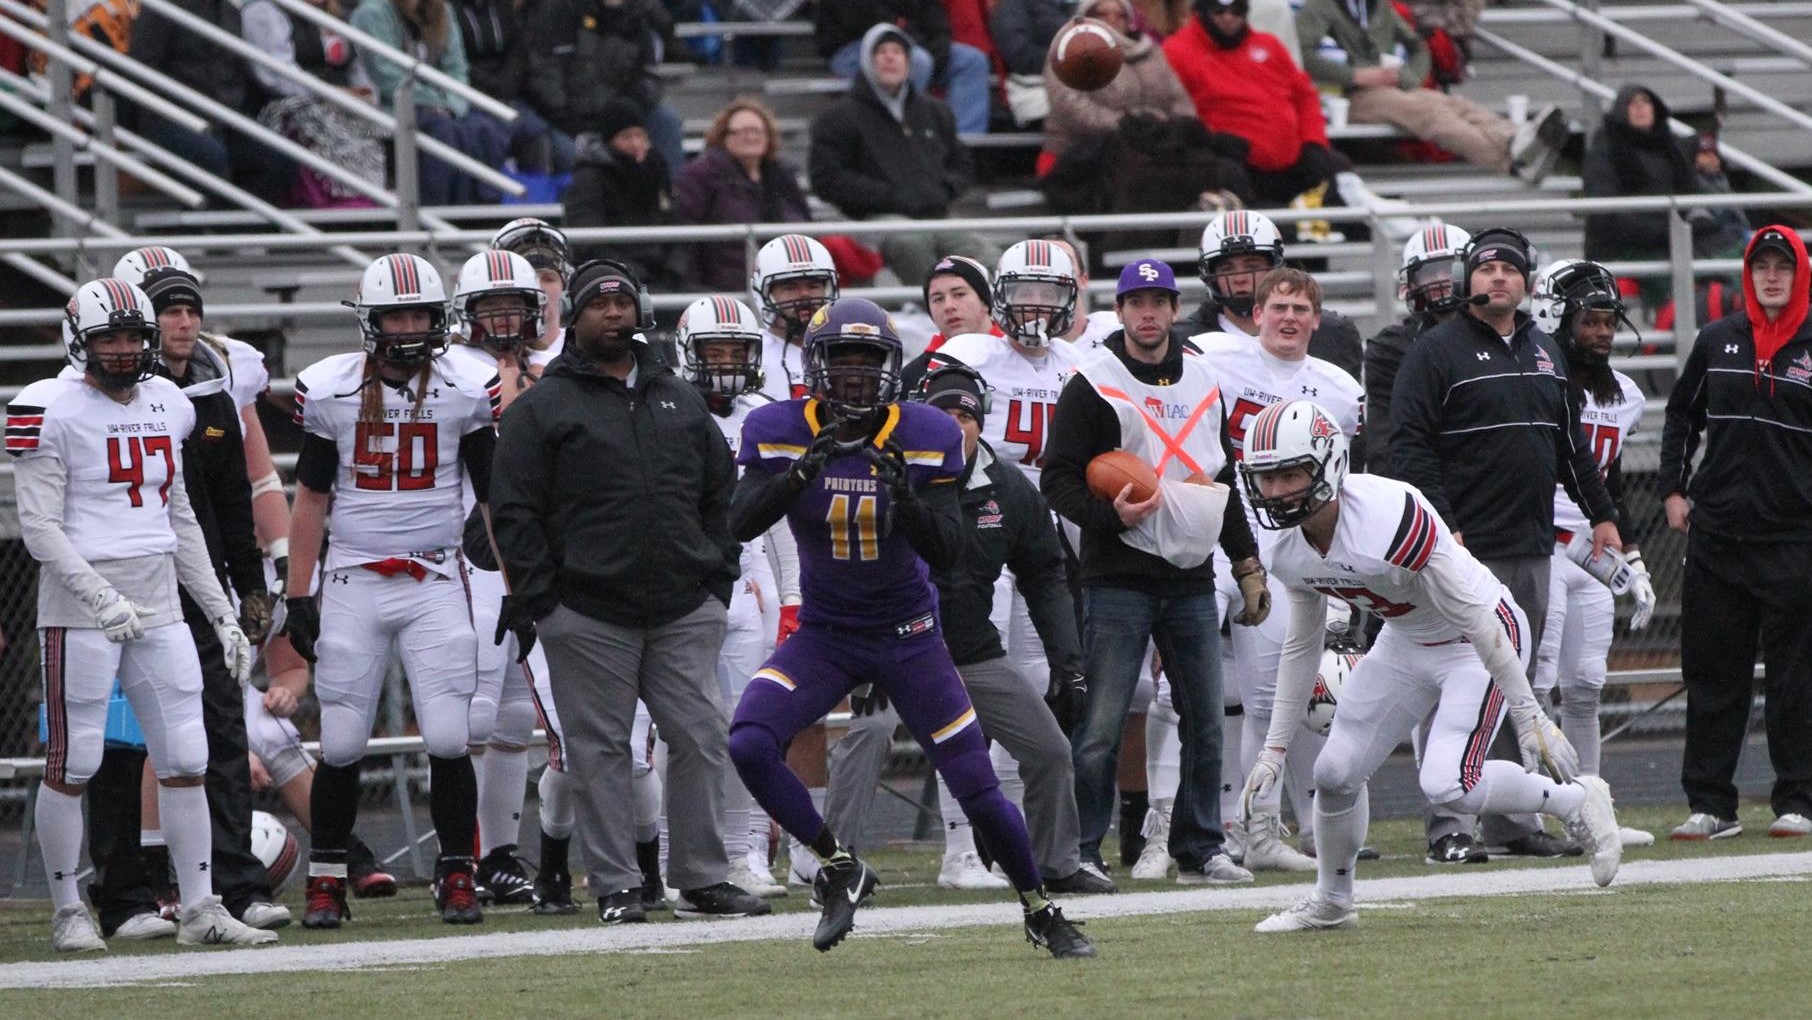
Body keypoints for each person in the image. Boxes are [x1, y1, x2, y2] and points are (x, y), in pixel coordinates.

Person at [725, 297, 1094, 957]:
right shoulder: (779, 428)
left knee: (978, 788)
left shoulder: (925, 433)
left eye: (868, 360)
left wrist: (906, 498)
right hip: (826, 635)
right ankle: (838, 864)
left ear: (892, 368)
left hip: (909, 638)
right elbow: (739, 522)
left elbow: (949, 552)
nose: (856, 374)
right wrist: (799, 475)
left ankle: (1041, 908)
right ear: (816, 365)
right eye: (843, 359)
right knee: (750, 740)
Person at [1237, 400, 1622, 933]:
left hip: (1478, 635)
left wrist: (1528, 712)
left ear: (1329, 464)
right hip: (1406, 637)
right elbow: (1302, 642)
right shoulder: (1282, 543)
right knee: (1334, 773)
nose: (1276, 491)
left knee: (1449, 782)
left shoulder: (1388, 515)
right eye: (1266, 478)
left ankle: (1576, 799)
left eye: (1290, 475)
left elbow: (1476, 616)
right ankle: (1333, 900)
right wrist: (1275, 749)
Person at [489, 260, 770, 924]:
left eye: (622, 301)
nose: (613, 313)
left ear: (640, 309)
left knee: (700, 736)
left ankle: (701, 878)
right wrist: (545, 600)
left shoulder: (678, 396)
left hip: (682, 604)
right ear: (574, 316)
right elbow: (514, 511)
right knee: (600, 752)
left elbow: (719, 494)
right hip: (586, 611)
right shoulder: (542, 407)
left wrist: (715, 578)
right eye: (598, 303)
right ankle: (616, 884)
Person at [11, 278, 267, 951]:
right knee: (75, 759)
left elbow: (179, 517)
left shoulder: (168, 402)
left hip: (159, 602)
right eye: (110, 338)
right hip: (79, 607)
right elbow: (39, 528)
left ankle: (201, 907)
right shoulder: (48, 406)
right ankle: (69, 909)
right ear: (79, 342)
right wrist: (99, 596)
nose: (125, 350)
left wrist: (221, 611)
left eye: (133, 337)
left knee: (187, 755)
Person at [821, 365, 1113, 896]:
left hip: (970, 645)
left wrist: (1068, 661)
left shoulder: (1008, 486)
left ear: (981, 422)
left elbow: (1045, 574)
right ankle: (837, 866)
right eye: (943, 415)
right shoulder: (886, 472)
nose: (955, 426)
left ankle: (1055, 863)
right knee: (867, 733)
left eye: (965, 415)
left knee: (1049, 747)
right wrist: (863, 655)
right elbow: (851, 564)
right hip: (892, 644)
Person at [1390, 227, 1622, 864]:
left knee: (1515, 683)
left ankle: (1512, 820)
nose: (1498, 277)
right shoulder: (1435, 351)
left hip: (1530, 542)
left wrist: (1603, 516)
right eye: (1487, 268)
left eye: (1510, 269)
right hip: (1461, 548)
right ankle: (1449, 824)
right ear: (1466, 280)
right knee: (1455, 681)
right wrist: (1444, 525)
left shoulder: (1545, 350)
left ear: (1527, 283)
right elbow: (1409, 444)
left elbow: (1571, 446)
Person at [283, 254, 499, 929]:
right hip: (353, 576)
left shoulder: (466, 386)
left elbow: (492, 498)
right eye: (396, 317)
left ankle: (457, 874)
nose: (408, 329)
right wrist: (298, 594)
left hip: (435, 575)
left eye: (419, 316)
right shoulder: (332, 390)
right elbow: (311, 497)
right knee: (343, 739)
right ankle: (325, 879)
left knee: (450, 734)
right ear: (370, 321)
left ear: (439, 319)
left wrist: (515, 583)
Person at [1041, 257, 1268, 884]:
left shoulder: (1203, 377)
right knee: (1101, 723)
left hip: (1191, 573)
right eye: (1136, 303)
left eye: (1158, 301)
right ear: (1119, 311)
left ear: (1174, 307)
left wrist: (1245, 560)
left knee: (1206, 720)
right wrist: (1108, 515)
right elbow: (1057, 479)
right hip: (1118, 573)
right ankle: (1083, 850)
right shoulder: (1093, 380)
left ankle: (1200, 847)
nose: (1148, 313)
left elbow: (1220, 479)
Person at [1194, 269, 1362, 873]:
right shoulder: (1212, 358)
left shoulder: (1339, 389)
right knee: (1172, 695)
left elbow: (1337, 481)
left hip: (1284, 548)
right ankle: (1164, 827)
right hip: (1213, 535)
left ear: (1316, 319)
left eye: (1300, 309)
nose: (1289, 317)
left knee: (1269, 698)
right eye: (1279, 306)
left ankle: (1259, 830)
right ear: (1256, 312)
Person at [1659, 226, 1812, 842]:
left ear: (1800, 274)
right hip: (1718, 536)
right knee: (1712, 673)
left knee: (1796, 678)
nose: (1771, 277)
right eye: (1760, 267)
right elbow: (1681, 415)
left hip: (1794, 538)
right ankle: (1711, 804)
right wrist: (1673, 489)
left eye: (1782, 266)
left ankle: (1799, 800)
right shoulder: (1716, 339)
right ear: (1747, 274)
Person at [1527, 259, 1658, 847]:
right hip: (1540, 544)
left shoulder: (1626, 394)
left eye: (1608, 321)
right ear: (1557, 319)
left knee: (1585, 684)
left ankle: (1592, 811)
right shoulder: (1537, 381)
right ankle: (1531, 810)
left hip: (1594, 550)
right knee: (1537, 684)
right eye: (1590, 321)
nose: (1603, 332)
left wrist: (1635, 558)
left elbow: (1611, 484)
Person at [674, 293, 796, 898]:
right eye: (714, 350)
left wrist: (791, 595)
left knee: (747, 726)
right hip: (680, 582)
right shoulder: (665, 408)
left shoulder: (765, 417)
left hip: (746, 579)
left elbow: (783, 519)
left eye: (736, 350)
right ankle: (674, 857)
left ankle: (747, 851)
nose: (725, 362)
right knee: (681, 730)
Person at [442, 250, 551, 907]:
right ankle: (463, 853)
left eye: (517, 307)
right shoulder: (453, 370)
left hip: (532, 549)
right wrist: (514, 376)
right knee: (475, 708)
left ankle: (501, 853)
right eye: (493, 308)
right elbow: (502, 416)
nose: (507, 320)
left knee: (515, 711)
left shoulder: (550, 366)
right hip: (471, 545)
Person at [807, 24, 996, 288]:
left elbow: (961, 163)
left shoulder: (935, 112)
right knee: (911, 244)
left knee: (988, 257)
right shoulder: (838, 117)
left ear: (909, 61)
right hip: (874, 219)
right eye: (882, 51)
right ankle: (933, 305)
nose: (890, 57)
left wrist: (943, 189)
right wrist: (887, 196)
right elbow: (827, 178)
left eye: (897, 51)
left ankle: (990, 310)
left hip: (936, 216)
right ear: (867, 60)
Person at [1294, 0, 1564, 184]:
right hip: (1346, 97)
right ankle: (1510, 161)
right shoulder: (1321, 7)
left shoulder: (1379, 7)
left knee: (1454, 104)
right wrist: (1355, 75)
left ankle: (1515, 137)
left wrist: (1409, 79)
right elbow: (1301, 52)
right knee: (1430, 114)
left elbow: (1417, 45)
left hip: (1389, 89)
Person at [1164, 0, 1340, 207]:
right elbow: (1174, 114)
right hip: (1231, 167)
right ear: (1202, 12)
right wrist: (1211, 141)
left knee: (1339, 172)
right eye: (1219, 11)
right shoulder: (1177, 51)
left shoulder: (1269, 45)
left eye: (1236, 11)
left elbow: (1305, 96)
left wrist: (1314, 142)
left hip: (1292, 161)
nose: (1228, 18)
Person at [1583, 85, 1742, 310]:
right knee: (1685, 272)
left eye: (1645, 101)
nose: (1640, 107)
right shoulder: (1605, 150)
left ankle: (1737, 311)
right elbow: (1605, 216)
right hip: (1624, 246)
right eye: (1632, 103)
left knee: (1731, 249)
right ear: (1621, 110)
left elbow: (1690, 191)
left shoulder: (1669, 146)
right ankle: (1682, 321)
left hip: (1671, 237)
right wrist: (1664, 230)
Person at [350, 0, 508, 205]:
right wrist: (438, 102)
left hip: (442, 105)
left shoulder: (443, 10)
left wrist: (452, 105)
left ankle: (480, 213)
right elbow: (387, 78)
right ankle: (441, 212)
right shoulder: (372, 13)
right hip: (389, 106)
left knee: (485, 129)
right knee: (444, 132)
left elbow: (456, 69)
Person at [1180, 210, 1366, 382]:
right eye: (1227, 269)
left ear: (1275, 267)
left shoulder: (1331, 333)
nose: (1239, 278)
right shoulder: (1186, 340)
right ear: (1211, 275)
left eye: (1252, 266)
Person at [241, 0, 385, 208]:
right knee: (325, 123)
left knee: (378, 124)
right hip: (286, 106)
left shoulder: (339, 15)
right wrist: (331, 94)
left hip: (338, 101)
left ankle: (367, 203)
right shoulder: (264, 10)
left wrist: (365, 95)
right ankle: (336, 204)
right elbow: (277, 77)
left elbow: (358, 67)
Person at [524, 0, 684, 178]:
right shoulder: (558, 11)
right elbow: (543, 73)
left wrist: (626, 112)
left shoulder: (639, 17)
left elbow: (650, 76)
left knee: (665, 121)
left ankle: (670, 192)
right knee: (570, 154)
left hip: (618, 116)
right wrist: (567, 119)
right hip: (565, 120)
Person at [674, 99, 813, 292]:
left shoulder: (783, 177)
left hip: (786, 286)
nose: (751, 137)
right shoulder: (699, 176)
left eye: (757, 131)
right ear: (723, 136)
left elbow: (806, 225)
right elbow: (687, 239)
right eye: (742, 131)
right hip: (723, 288)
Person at [1363, 223, 1469, 468]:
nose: (1441, 279)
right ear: (1411, 284)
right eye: (1429, 273)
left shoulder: (1501, 337)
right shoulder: (1392, 350)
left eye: (1449, 269)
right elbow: (1386, 442)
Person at [1041, 0, 1199, 163]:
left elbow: (1179, 98)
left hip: (1152, 150)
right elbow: (1072, 108)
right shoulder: (1067, 52)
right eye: (1102, 14)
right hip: (1080, 155)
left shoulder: (1152, 53)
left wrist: (1173, 127)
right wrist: (1134, 126)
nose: (1113, 19)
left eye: (1121, 15)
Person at [817, 4, 992, 135]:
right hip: (853, 46)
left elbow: (933, 16)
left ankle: (961, 149)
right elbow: (863, 19)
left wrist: (938, 43)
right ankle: (903, 140)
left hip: (916, 43)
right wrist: (913, 41)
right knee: (917, 61)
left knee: (971, 61)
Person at [563, 100, 686, 288]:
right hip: (613, 281)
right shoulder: (589, 178)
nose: (635, 143)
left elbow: (676, 221)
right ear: (610, 140)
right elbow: (587, 240)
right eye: (626, 136)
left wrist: (673, 269)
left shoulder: (657, 169)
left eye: (640, 135)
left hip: (663, 275)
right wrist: (630, 273)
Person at [448, 0, 576, 176]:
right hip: (469, 97)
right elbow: (455, 62)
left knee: (550, 143)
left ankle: (536, 190)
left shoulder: (502, 7)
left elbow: (517, 50)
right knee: (490, 135)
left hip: (509, 94)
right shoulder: (449, 10)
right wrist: (489, 85)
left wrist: (506, 83)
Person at [751, 234, 841, 404]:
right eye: (790, 287)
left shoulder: (846, 350)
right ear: (766, 294)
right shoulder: (750, 354)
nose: (804, 294)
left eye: (813, 285)